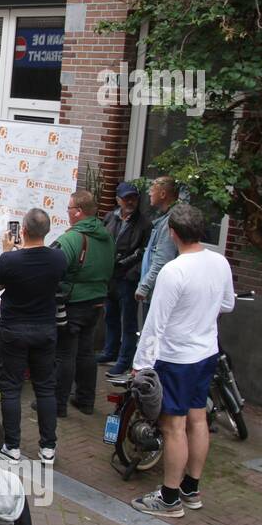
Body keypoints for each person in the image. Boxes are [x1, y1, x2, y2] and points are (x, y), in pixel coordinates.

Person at [130, 204, 235, 518]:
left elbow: (155, 323)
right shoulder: (220, 261)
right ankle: (191, 488)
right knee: (198, 419)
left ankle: (169, 498)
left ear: (172, 233)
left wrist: (141, 364)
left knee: (174, 427)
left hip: (176, 358)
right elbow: (227, 304)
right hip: (206, 353)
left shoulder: (173, 271)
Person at [0, 208, 67, 462]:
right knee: (45, 388)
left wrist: (6, 251)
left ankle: (11, 446)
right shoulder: (58, 259)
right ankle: (48, 448)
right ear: (47, 231)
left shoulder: (10, 260)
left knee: (10, 388)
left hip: (14, 329)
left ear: (22, 231)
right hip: (45, 329)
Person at [51, 190, 114, 417]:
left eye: (69, 209)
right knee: (86, 352)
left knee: (64, 353)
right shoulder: (106, 236)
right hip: (97, 302)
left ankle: (57, 405)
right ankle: (86, 401)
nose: (67, 213)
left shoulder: (70, 239)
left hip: (74, 303)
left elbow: (51, 268)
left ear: (78, 212)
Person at [99, 181, 151, 380]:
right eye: (126, 198)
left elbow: (144, 253)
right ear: (118, 200)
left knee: (128, 321)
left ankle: (124, 359)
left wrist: (132, 273)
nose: (131, 202)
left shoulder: (145, 223)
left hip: (128, 278)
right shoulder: (110, 217)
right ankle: (109, 350)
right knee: (110, 315)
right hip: (110, 276)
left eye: (134, 198)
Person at [136, 175, 179, 306]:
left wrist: (144, 286)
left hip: (157, 292)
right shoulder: (162, 217)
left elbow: (162, 259)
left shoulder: (169, 222)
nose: (149, 193)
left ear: (163, 194)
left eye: (152, 190)